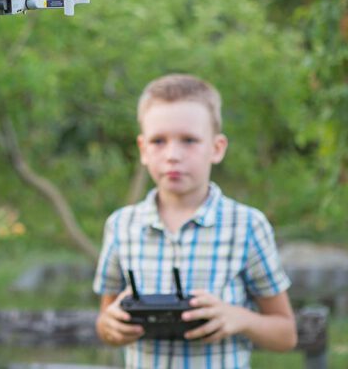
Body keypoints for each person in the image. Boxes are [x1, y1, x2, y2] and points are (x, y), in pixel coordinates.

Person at [93, 73, 297, 368]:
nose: (173, 155)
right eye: (158, 141)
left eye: (189, 140)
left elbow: (286, 334)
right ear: (142, 150)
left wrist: (240, 318)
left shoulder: (247, 226)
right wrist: (112, 327)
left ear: (217, 148)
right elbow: (105, 322)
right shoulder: (121, 226)